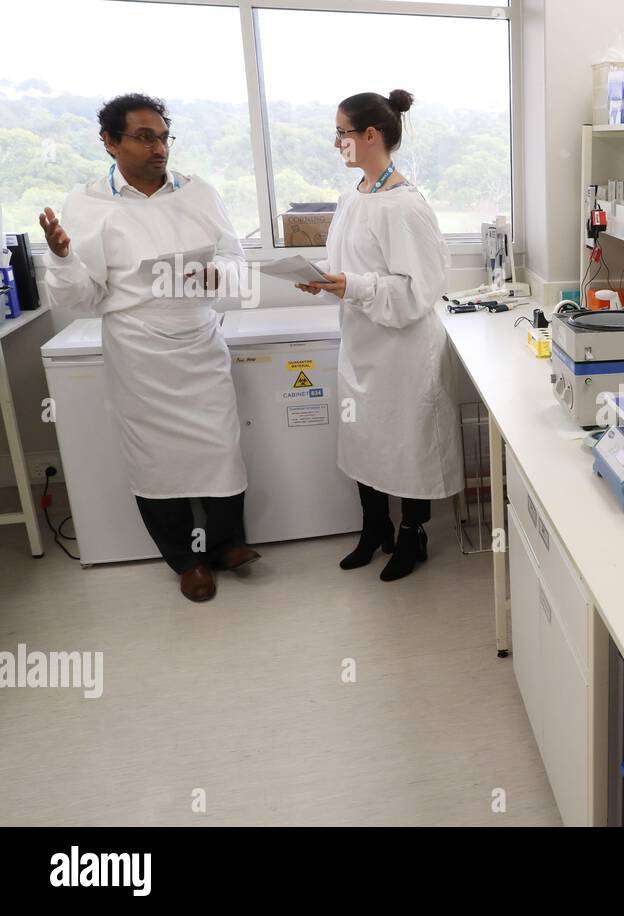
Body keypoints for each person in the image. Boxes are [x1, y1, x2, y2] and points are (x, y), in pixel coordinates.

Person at [39, 93, 257, 602]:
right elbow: (83, 298)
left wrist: (213, 274)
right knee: (156, 459)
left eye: (163, 136)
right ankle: (186, 561)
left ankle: (226, 544)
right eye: (144, 137)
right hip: (137, 345)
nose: (159, 147)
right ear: (109, 142)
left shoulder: (199, 192)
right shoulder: (89, 203)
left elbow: (236, 263)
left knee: (220, 446)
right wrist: (63, 259)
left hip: (199, 334)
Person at [296, 89, 464, 581]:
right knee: (365, 440)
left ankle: (413, 536)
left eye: (341, 133)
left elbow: (420, 290)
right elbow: (356, 265)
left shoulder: (405, 207)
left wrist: (352, 285)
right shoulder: (354, 197)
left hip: (404, 347)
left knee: (406, 441)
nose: (336, 143)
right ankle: (375, 530)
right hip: (362, 340)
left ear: (370, 136)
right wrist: (326, 278)